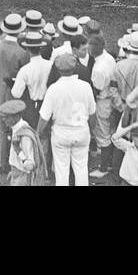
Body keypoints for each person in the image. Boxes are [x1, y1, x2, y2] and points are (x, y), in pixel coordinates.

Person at [39, 53, 96, 186]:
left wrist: (37, 133)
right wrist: (92, 131)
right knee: (81, 168)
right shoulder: (85, 86)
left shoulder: (53, 89)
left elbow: (44, 117)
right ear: (75, 67)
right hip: (82, 131)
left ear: (58, 70)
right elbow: (92, 114)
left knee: (61, 171)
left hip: (61, 133)